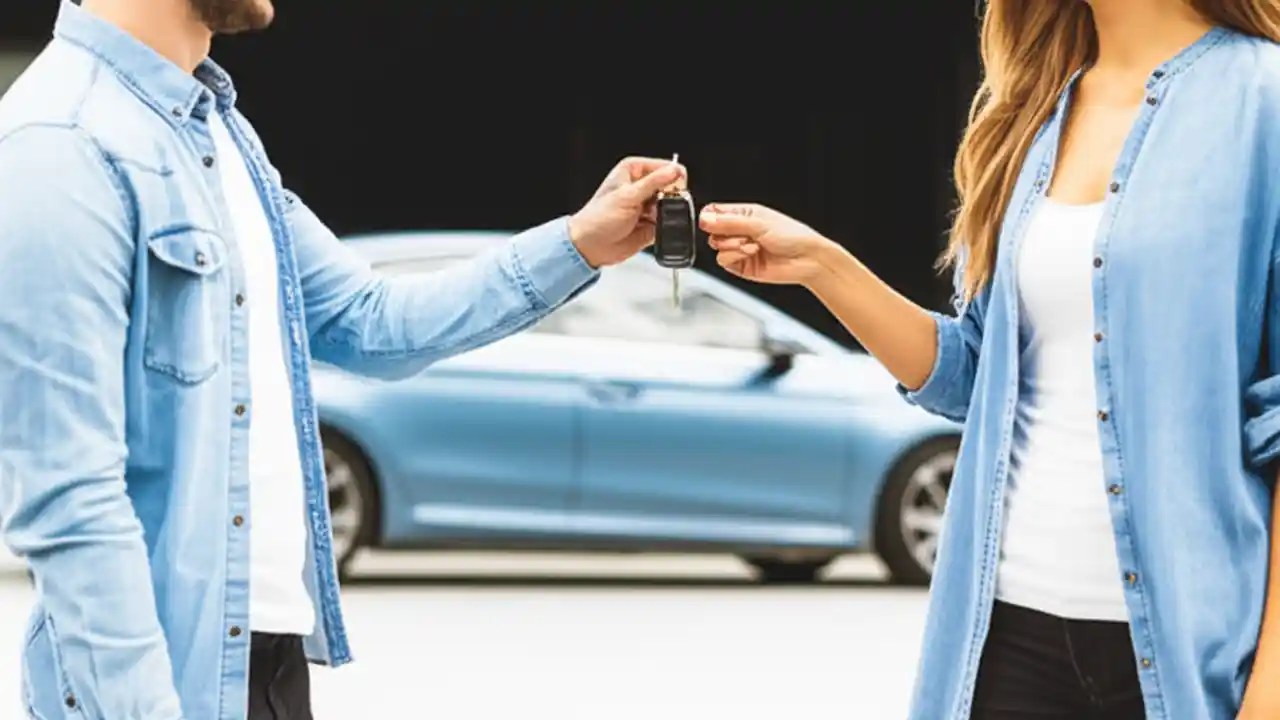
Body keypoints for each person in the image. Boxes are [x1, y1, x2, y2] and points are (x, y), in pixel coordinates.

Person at [0, 0, 686, 718]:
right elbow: (69, 500)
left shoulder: (219, 135)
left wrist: (578, 243)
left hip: (263, 666)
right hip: (158, 687)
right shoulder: (61, 142)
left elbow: (373, 322)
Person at [701, 0, 1280, 718]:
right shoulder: (1032, 111)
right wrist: (823, 267)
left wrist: (1273, 686)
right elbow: (975, 374)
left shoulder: (1264, 100)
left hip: (1190, 655)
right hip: (1008, 632)